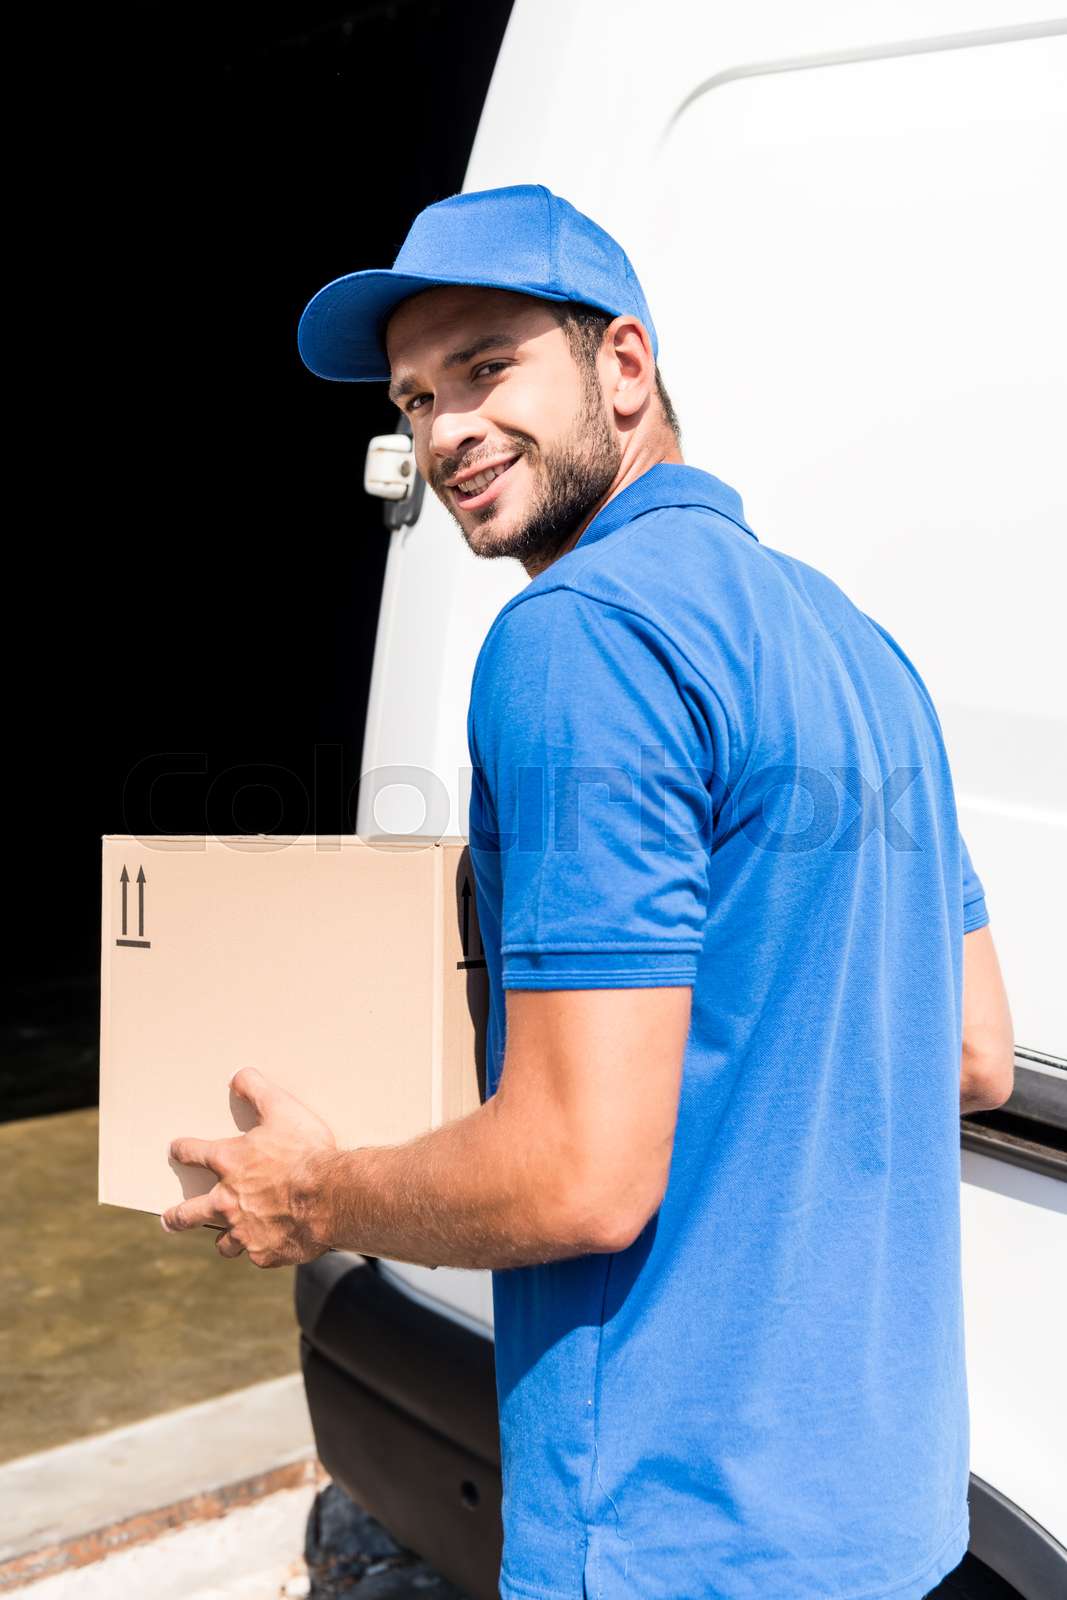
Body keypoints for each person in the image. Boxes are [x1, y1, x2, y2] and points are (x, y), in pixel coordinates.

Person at [163, 185, 1016, 1600]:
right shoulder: (860, 648)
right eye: (415, 397)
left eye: (488, 369)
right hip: (887, 1512)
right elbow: (973, 1049)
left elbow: (578, 1173)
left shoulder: (577, 638)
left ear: (624, 366)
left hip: (673, 1530)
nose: (443, 434)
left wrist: (319, 1201)